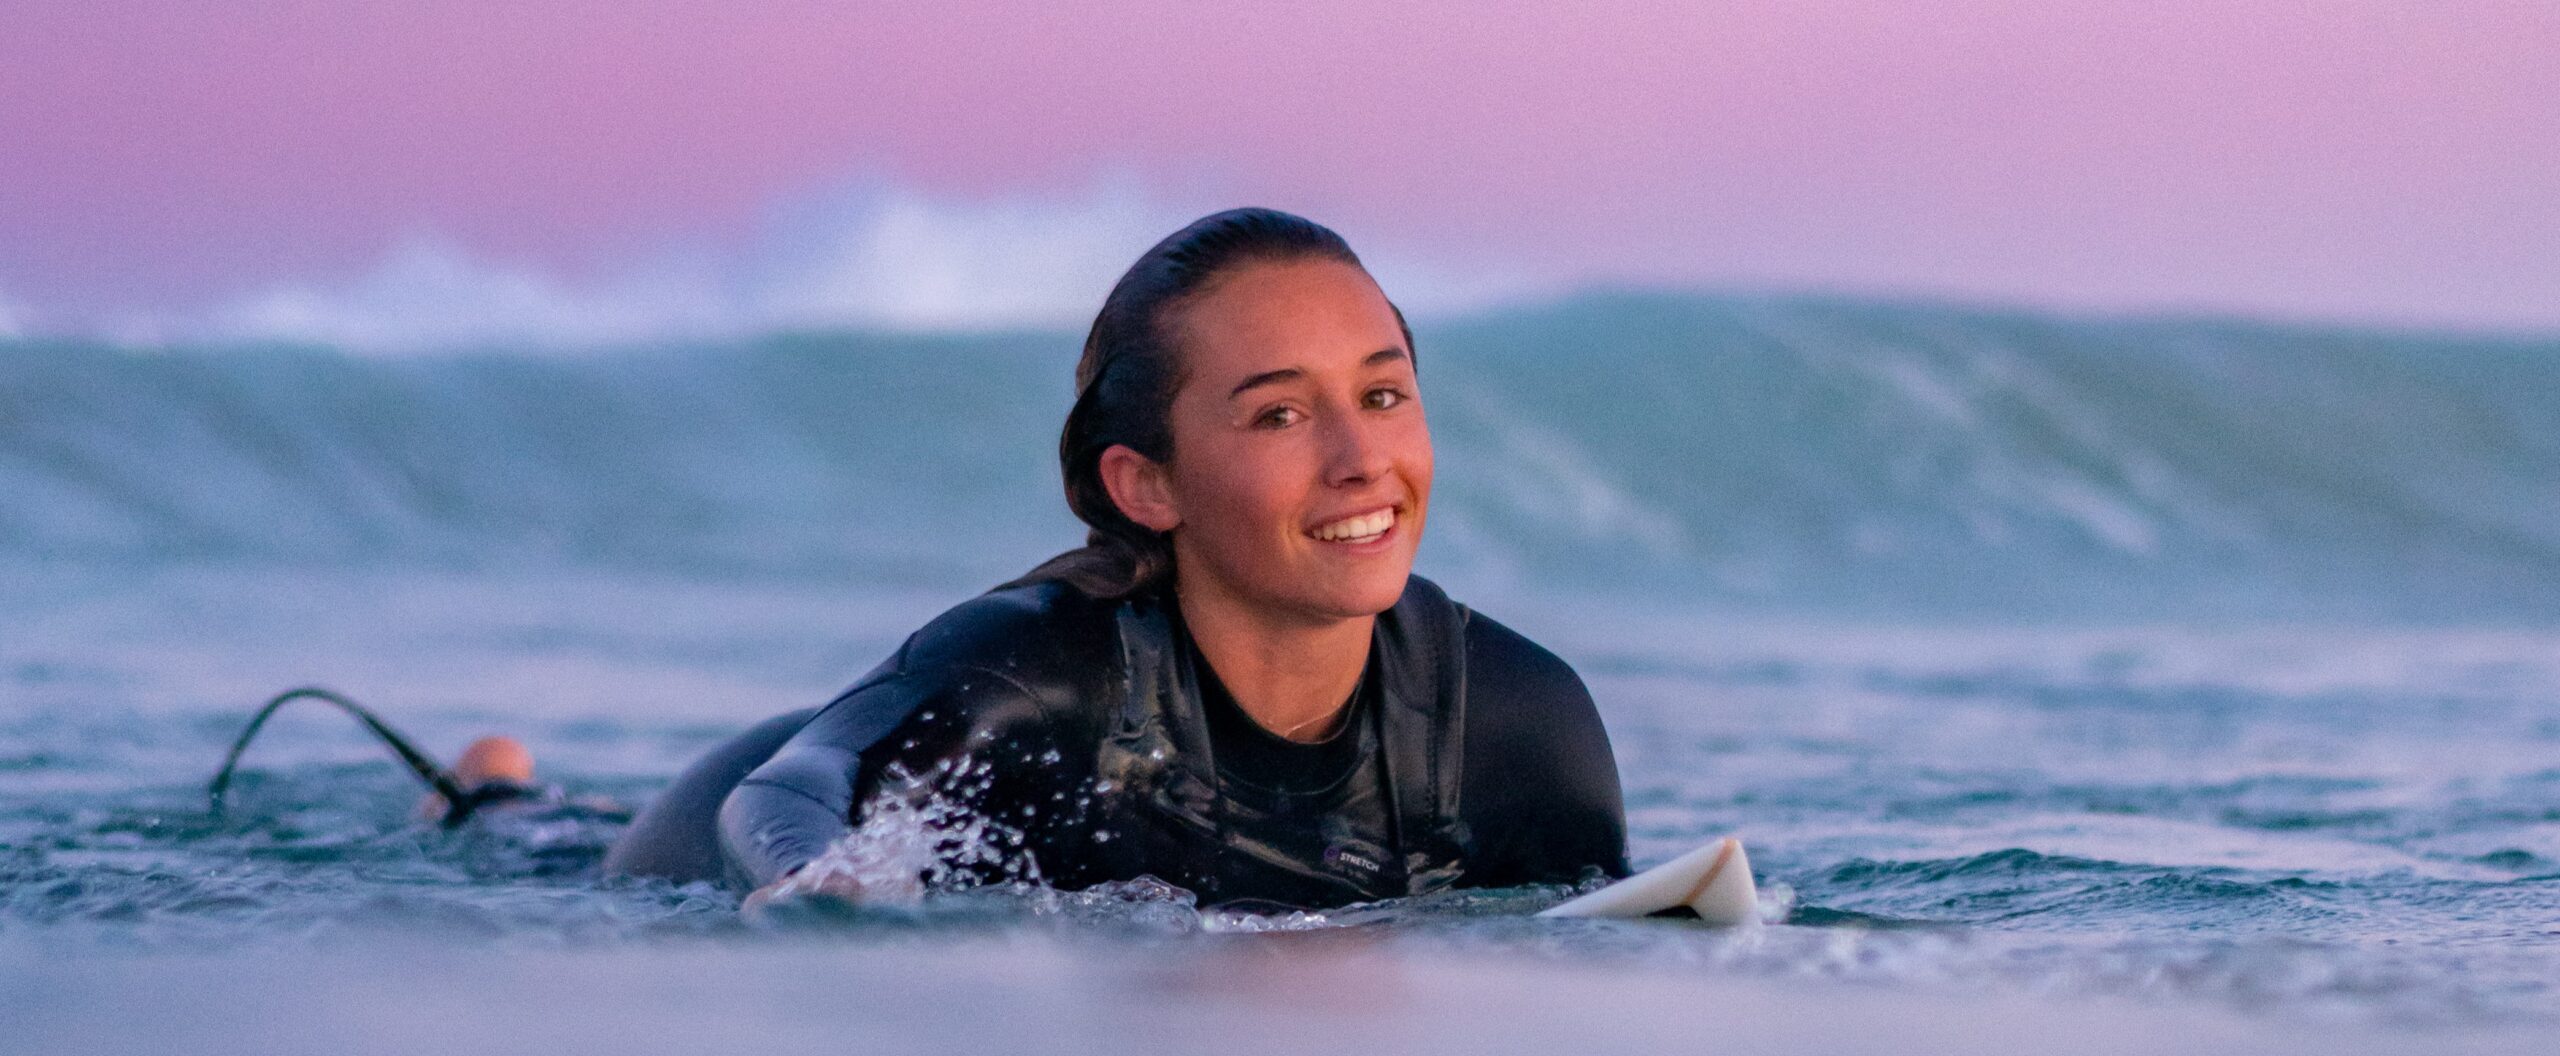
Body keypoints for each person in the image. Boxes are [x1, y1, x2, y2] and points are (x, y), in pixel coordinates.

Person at [602, 208, 1628, 912]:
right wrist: (819, 893)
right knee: (529, 841)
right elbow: (786, 797)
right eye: (1278, 414)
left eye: (1383, 395)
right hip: (701, 840)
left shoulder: (1512, 726)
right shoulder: (1035, 678)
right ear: (1147, 484)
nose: (1362, 461)